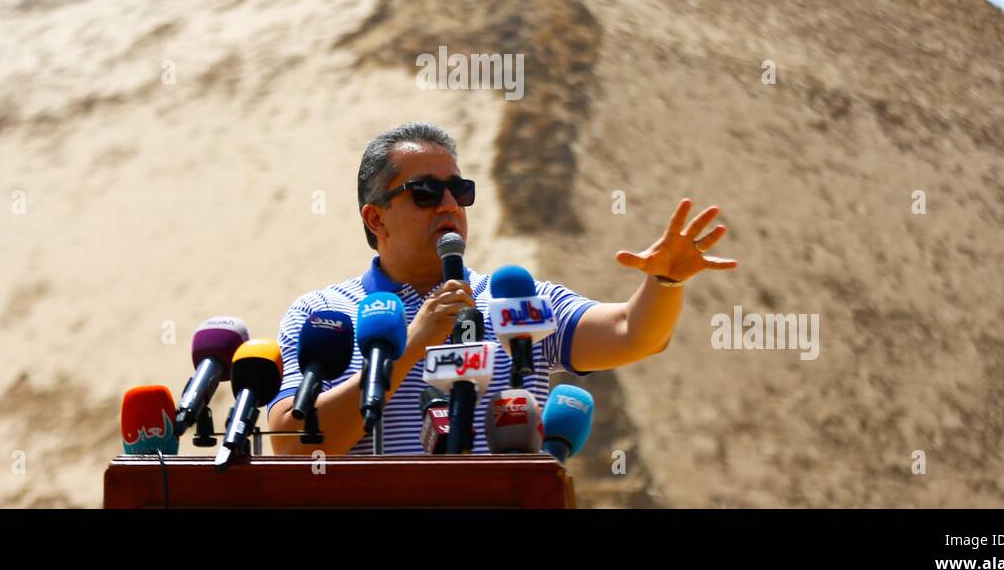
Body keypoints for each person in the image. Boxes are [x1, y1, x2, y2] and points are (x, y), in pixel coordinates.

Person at [266, 121, 736, 454]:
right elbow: (291, 443)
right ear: (376, 218)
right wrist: (413, 344)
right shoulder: (325, 314)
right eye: (426, 192)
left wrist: (665, 281)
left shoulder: (516, 299)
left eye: (460, 190)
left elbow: (634, 333)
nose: (448, 204)